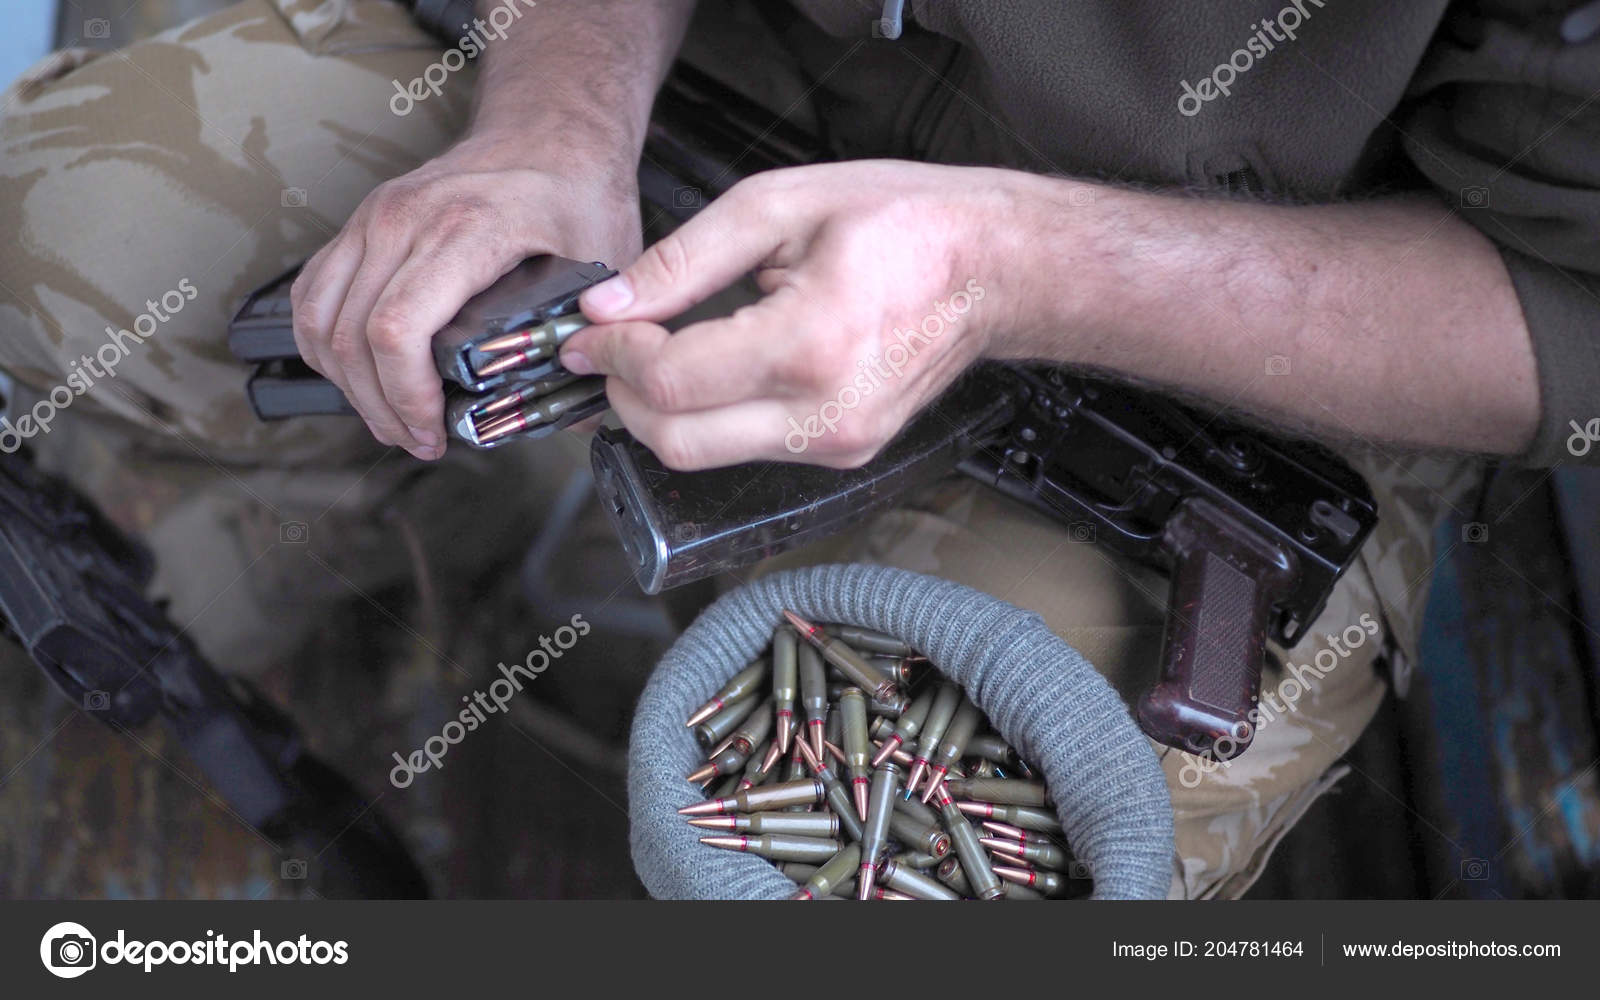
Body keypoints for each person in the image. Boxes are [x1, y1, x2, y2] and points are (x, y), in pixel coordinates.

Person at [2, 0, 1595, 897]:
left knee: (867, 876)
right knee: (66, 236)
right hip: (684, 96)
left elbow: (1568, 308)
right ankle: (477, 545)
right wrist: (554, 115)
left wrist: (1005, 274)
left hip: (1223, 350)